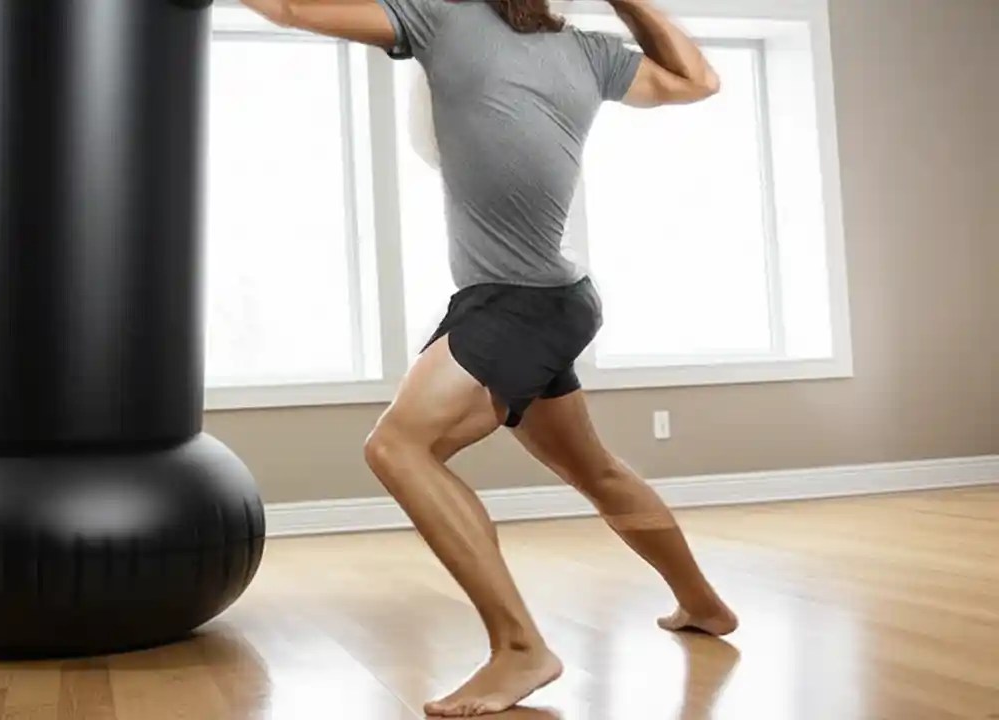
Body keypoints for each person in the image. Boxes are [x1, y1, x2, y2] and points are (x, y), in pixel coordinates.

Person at [238, 0, 738, 715]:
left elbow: (290, 6)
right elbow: (696, 80)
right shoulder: (585, 52)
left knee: (398, 449)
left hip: (519, 303)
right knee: (593, 470)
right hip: (550, 299)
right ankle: (704, 605)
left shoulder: (449, 19)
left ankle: (520, 648)